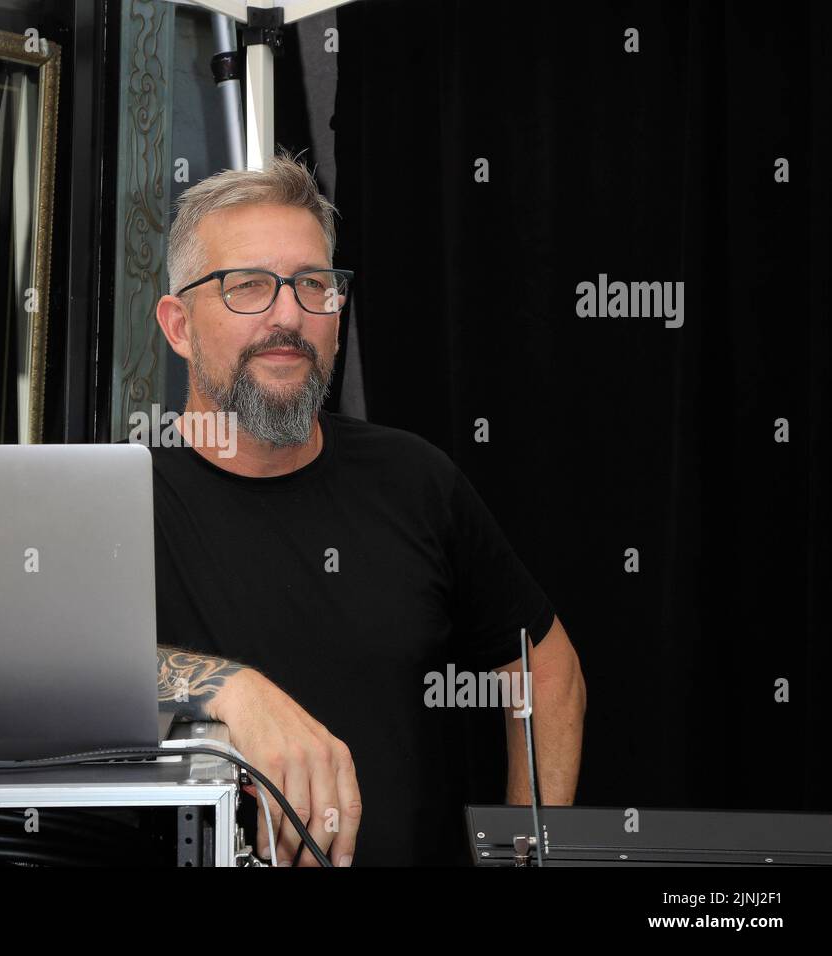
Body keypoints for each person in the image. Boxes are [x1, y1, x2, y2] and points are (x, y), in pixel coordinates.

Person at [147, 153, 587, 866]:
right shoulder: (117, 498)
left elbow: (545, 665)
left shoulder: (415, 480)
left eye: (313, 285)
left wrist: (525, 854)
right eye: (249, 286)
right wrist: (232, 690)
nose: (289, 315)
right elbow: (41, 674)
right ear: (177, 325)